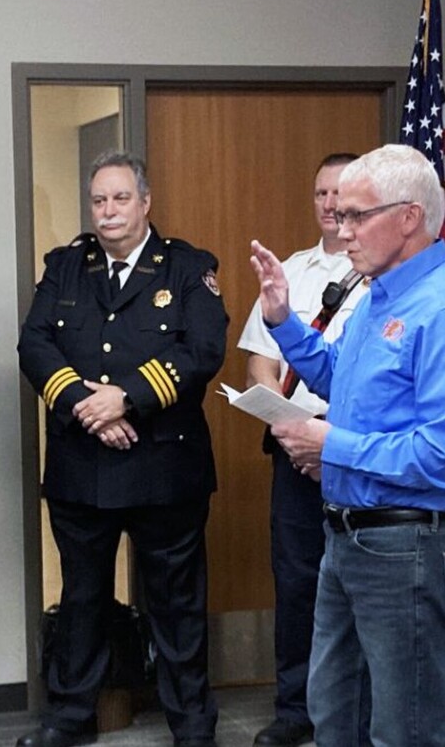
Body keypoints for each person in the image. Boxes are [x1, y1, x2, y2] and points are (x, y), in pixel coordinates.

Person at [16, 153, 226, 747]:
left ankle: (191, 723)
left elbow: (203, 351)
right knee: (82, 597)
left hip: (164, 468)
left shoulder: (187, 268)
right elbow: (35, 345)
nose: (108, 211)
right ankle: (69, 717)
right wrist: (89, 406)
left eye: (120, 199)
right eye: (99, 201)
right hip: (83, 467)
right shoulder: (65, 267)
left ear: (145, 202)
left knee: (176, 603)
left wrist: (126, 399)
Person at [251, 143, 445, 747]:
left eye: (358, 215)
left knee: (403, 725)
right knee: (332, 709)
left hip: (402, 543)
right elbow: (339, 377)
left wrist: (333, 444)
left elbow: (437, 453)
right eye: (337, 213)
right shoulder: (373, 294)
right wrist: (283, 319)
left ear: (409, 217)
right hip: (343, 535)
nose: (340, 227)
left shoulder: (436, 306)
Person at [236, 153, 361, 747]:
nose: (331, 204)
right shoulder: (289, 269)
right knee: (296, 582)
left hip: (353, 451)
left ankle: (353, 709)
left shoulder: (385, 275)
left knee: (356, 586)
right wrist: (289, 429)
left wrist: (328, 436)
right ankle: (295, 709)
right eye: (321, 193)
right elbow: (261, 358)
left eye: (341, 192)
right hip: (293, 451)